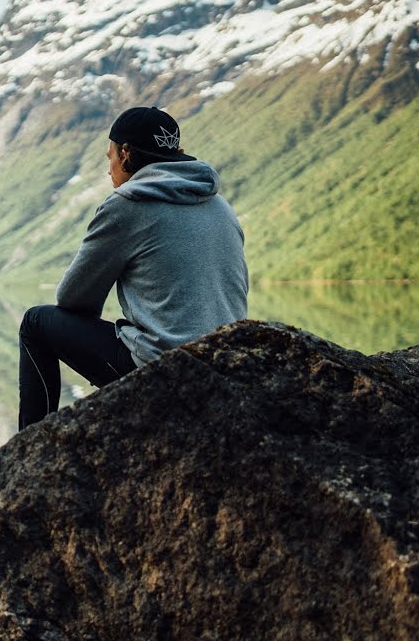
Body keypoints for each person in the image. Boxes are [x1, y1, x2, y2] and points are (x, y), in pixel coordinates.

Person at [18, 106, 249, 430]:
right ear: (178, 153)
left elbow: (73, 300)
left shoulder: (128, 204)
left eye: (109, 156)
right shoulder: (220, 205)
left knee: (36, 322)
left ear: (125, 154)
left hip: (167, 372)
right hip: (227, 367)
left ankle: (28, 448)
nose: (109, 169)